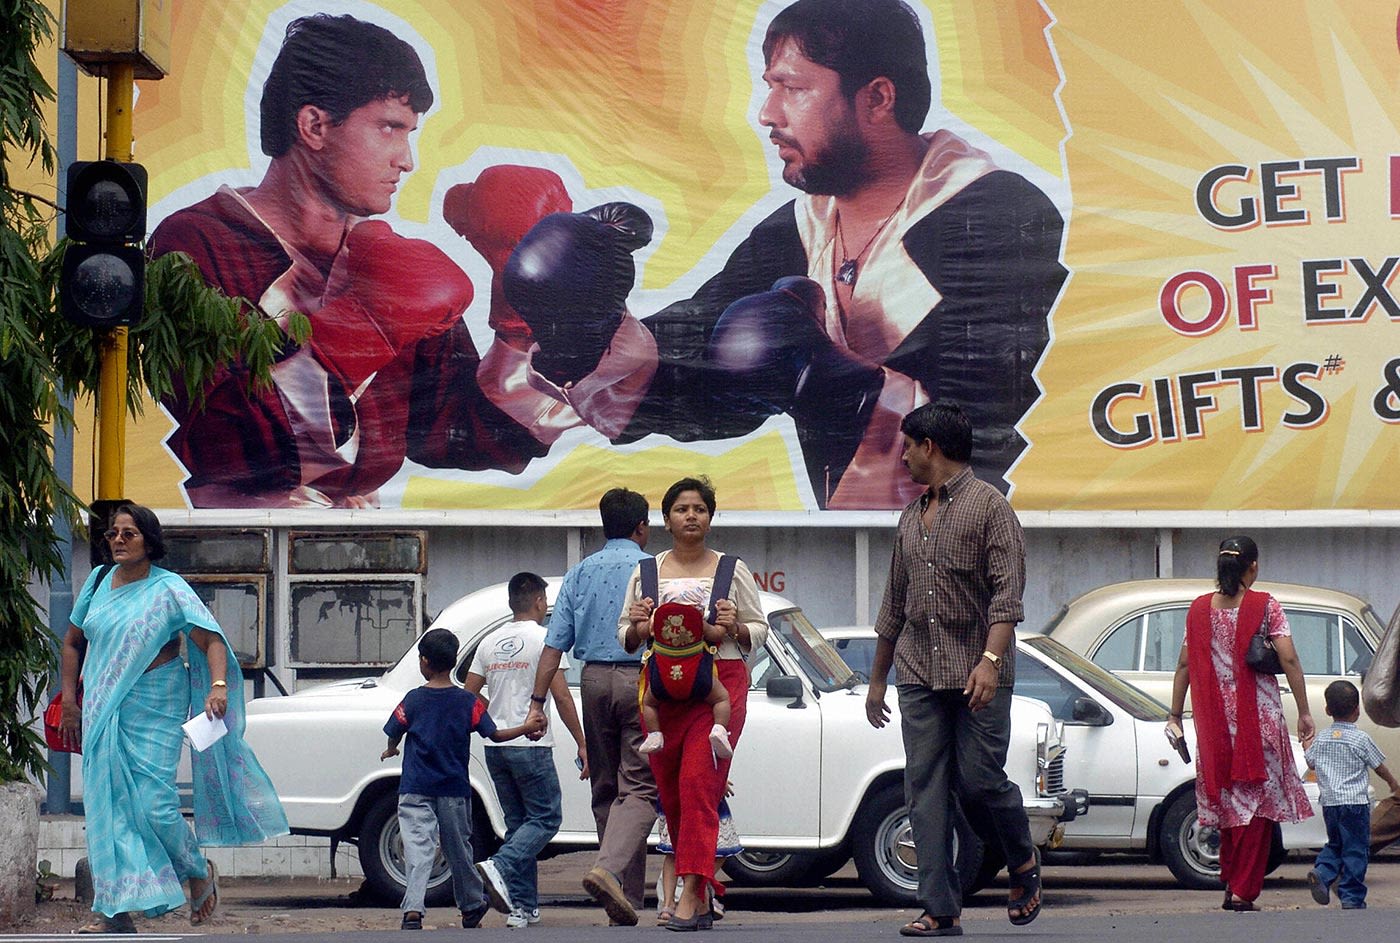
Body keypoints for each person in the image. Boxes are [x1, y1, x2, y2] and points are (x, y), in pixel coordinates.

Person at [498, 0, 1067, 509]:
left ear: (877, 97)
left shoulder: (996, 215)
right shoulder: (799, 228)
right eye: (770, 87)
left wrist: (822, 379)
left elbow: (988, 427)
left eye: (792, 88)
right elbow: (699, 370)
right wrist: (583, 333)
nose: (768, 113)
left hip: (979, 548)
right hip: (853, 552)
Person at [148, 12, 546, 508]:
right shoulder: (194, 245)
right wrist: (362, 328)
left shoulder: (389, 258)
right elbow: (228, 445)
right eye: (389, 128)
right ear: (314, 126)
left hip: (365, 538)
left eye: (409, 133)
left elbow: (462, 435)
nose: (407, 160)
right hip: (241, 539)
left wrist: (520, 318)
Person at [56, 504, 287, 934]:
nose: (118, 540)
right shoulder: (98, 581)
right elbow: (72, 643)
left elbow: (211, 640)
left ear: (149, 540)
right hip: (103, 707)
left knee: (154, 804)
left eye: (128, 533)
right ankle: (115, 911)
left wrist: (218, 686)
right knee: (109, 806)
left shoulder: (169, 589)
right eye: (112, 533)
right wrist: (70, 702)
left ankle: (196, 868)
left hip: (157, 703)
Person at [865, 401, 1040, 937]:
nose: (904, 458)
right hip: (919, 673)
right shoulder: (909, 516)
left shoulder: (991, 508)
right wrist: (878, 680)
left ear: (930, 447)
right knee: (924, 790)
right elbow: (894, 604)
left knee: (978, 781)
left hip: (978, 674)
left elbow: (1007, 598)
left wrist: (990, 661)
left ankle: (1022, 858)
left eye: (908, 447)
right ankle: (939, 908)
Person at [619, 476, 768, 931]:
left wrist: (735, 626)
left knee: (699, 786)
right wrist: (639, 625)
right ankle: (701, 896)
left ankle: (689, 894)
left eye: (699, 509)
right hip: (661, 692)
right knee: (671, 795)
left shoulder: (732, 570)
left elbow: (758, 631)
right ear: (666, 520)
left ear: (710, 518)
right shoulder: (646, 571)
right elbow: (625, 636)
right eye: (681, 509)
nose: (691, 516)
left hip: (718, 687)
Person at [526, 487, 655, 926]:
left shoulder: (579, 573)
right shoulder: (652, 569)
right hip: (641, 682)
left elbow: (553, 646)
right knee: (637, 787)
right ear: (641, 527)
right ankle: (620, 884)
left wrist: (537, 703)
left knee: (605, 787)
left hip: (594, 682)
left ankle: (615, 890)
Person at [1167, 535, 1315, 912]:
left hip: (1214, 723)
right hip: (1258, 721)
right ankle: (1242, 889)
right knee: (1256, 806)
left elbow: (1184, 665)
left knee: (1230, 802)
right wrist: (1304, 711)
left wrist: (1174, 714)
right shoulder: (1265, 605)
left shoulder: (1198, 609)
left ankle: (1231, 879)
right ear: (1254, 566)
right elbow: (1289, 660)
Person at [380, 627, 544, 930]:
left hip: (415, 788)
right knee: (458, 849)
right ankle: (471, 906)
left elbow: (395, 729)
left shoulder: (413, 700)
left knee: (418, 849)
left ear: (424, 662)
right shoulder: (468, 702)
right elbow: (494, 734)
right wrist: (526, 727)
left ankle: (413, 908)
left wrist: (392, 749)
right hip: (454, 790)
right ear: (454, 662)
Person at [463, 573, 588, 928]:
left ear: (510, 603)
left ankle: (522, 908)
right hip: (531, 745)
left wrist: (495, 713)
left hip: (496, 745)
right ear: (539, 602)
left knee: (519, 826)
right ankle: (499, 865)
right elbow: (561, 697)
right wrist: (582, 743)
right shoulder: (545, 640)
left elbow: (468, 693)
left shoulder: (489, 642)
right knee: (546, 819)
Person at [1304, 680, 1399, 910]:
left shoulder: (1322, 739)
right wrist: (1392, 783)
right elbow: (1378, 765)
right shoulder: (1361, 739)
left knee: (1335, 844)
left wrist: (1307, 745)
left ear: (1327, 710)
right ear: (1357, 710)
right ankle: (1351, 896)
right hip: (1355, 804)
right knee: (1356, 848)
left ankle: (1323, 872)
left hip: (1330, 804)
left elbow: (1311, 762)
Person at [637, 600, 733, 758]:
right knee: (721, 698)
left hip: (663, 678)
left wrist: (640, 618)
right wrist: (723, 621)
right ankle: (719, 729)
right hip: (696, 676)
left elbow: (642, 633)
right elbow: (717, 634)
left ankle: (654, 734)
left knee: (648, 703)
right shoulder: (699, 622)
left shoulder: (656, 622)